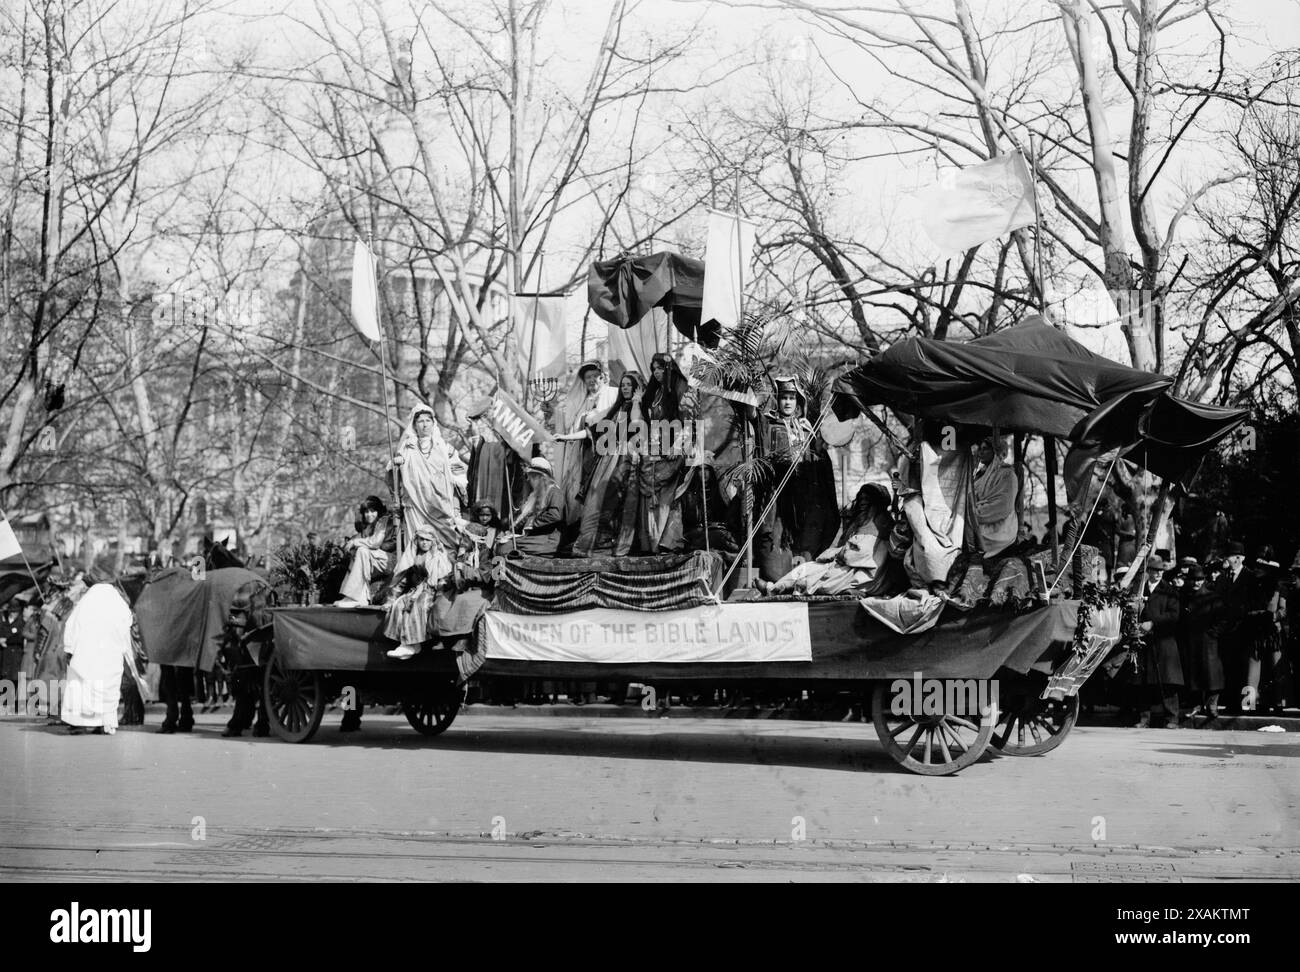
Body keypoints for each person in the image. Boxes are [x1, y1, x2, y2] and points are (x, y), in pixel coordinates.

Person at [759, 375, 838, 580]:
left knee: (811, 532)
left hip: (804, 492)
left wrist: (818, 447)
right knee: (778, 537)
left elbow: (816, 459)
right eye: (784, 397)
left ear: (798, 401)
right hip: (779, 491)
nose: (787, 402)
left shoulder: (805, 428)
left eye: (792, 398)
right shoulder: (769, 423)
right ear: (778, 399)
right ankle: (780, 578)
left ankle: (806, 571)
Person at [762, 483, 902, 597]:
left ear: (875, 502)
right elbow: (843, 547)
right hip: (843, 565)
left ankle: (797, 588)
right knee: (806, 568)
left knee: (825, 579)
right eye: (862, 498)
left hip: (864, 574)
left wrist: (839, 553)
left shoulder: (882, 522)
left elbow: (863, 554)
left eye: (867, 499)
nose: (863, 502)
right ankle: (774, 588)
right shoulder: (857, 522)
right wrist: (834, 554)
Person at [620, 352, 688, 556]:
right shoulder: (654, 392)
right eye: (654, 369)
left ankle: (669, 542)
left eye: (660, 368)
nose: (657, 372)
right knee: (650, 495)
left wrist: (677, 444)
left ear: (669, 368)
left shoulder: (680, 387)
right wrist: (637, 402)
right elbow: (638, 423)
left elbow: (688, 417)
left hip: (674, 448)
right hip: (653, 448)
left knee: (668, 496)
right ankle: (651, 543)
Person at [59, 575, 143, 735]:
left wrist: (69, 649)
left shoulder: (85, 603)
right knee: (106, 690)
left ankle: (79, 723)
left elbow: (71, 626)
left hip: (85, 655)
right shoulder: (118, 604)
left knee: (83, 690)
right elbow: (127, 626)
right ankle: (104, 723)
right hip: (110, 656)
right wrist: (124, 650)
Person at [572, 371, 642, 557]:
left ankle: (612, 546)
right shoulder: (615, 409)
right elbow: (591, 432)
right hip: (606, 461)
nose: (625, 388)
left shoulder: (639, 407)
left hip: (626, 460)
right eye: (623, 385)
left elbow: (636, 425)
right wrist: (565, 437)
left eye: (629, 384)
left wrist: (636, 402)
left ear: (636, 388)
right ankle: (589, 546)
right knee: (595, 502)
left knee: (618, 504)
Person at [553, 362, 618, 554]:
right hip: (587, 453)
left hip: (609, 449)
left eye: (594, 376)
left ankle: (607, 538)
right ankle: (587, 537)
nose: (591, 380)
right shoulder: (584, 401)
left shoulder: (612, 394)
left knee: (606, 492)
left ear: (603, 377)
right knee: (586, 494)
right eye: (587, 377)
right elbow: (575, 425)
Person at [390, 404, 468, 551]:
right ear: (414, 424)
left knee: (446, 541)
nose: (425, 425)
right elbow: (393, 472)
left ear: (433, 423)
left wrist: (456, 483)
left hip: (439, 503)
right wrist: (397, 464)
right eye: (420, 421)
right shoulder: (407, 448)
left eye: (428, 420)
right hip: (416, 503)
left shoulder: (443, 447)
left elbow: (458, 470)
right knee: (418, 542)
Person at [384, 526, 452, 661]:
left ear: (433, 541)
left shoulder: (438, 557)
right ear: (416, 540)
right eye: (421, 539)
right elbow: (402, 580)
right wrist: (391, 599)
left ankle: (411, 643)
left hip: (431, 591)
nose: (424, 543)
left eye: (428, 540)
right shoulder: (413, 556)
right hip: (415, 589)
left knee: (417, 606)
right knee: (399, 604)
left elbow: (442, 580)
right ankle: (408, 645)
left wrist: (439, 599)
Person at [1136, 554, 1183, 728]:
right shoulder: (1140, 589)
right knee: (1144, 681)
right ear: (1148, 571)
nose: (1158, 574)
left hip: (1163, 641)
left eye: (1161, 571)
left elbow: (1174, 615)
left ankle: (1172, 718)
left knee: (1168, 681)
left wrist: (1153, 623)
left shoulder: (1170, 591)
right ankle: (1144, 718)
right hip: (1144, 641)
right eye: (1155, 570)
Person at [1182, 564, 1224, 718]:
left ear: (1204, 580)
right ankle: (1196, 705)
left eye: (1199, 580)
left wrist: (1213, 633)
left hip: (1209, 642)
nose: (1196, 583)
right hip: (1191, 641)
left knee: (1212, 674)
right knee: (1194, 674)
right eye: (1193, 580)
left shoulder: (1212, 597)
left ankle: (1212, 704)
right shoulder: (1185, 597)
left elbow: (1222, 619)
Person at [336, 496, 395, 606]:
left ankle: (355, 597)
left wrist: (355, 542)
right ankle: (353, 596)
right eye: (366, 512)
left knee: (362, 550)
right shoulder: (367, 527)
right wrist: (350, 545)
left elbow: (375, 543)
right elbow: (360, 539)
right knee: (358, 553)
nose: (369, 515)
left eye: (373, 511)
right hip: (375, 560)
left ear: (379, 511)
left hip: (390, 561)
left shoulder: (385, 521)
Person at [502, 457, 564, 557]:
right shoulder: (536, 495)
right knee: (502, 542)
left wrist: (532, 523)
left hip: (549, 540)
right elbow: (526, 518)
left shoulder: (555, 492)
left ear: (540, 477)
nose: (528, 480)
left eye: (531, 477)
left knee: (505, 547)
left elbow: (555, 515)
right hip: (536, 537)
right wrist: (512, 531)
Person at [971, 436, 1019, 558]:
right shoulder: (979, 475)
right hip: (979, 522)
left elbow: (1002, 506)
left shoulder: (1007, 474)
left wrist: (973, 513)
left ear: (996, 452)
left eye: (985, 449)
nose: (980, 452)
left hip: (999, 530)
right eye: (980, 449)